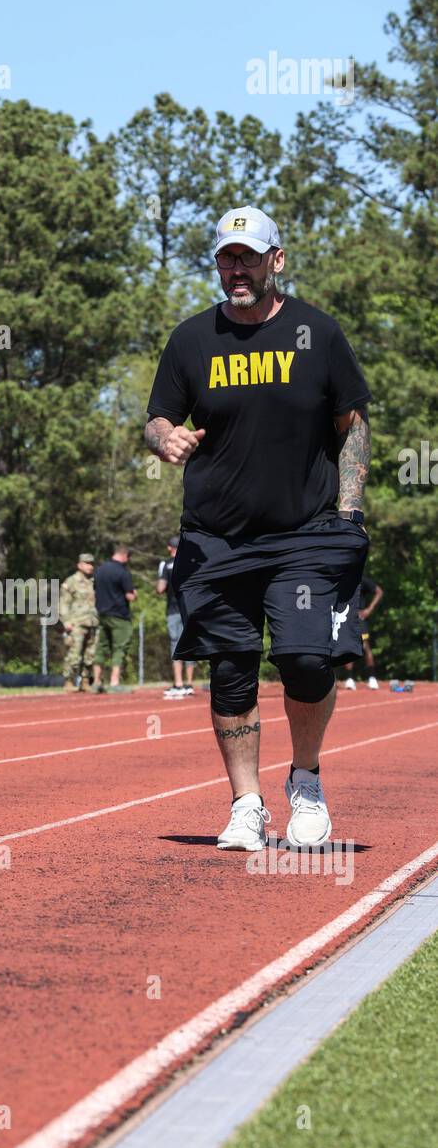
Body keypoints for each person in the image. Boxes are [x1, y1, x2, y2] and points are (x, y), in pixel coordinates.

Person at [145, 205, 371, 850]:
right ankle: (247, 803)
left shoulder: (317, 334)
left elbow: (351, 424)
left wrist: (350, 507)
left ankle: (305, 780)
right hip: (216, 537)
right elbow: (158, 417)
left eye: (247, 256)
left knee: (304, 658)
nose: (235, 268)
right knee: (232, 669)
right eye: (226, 257)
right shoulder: (192, 340)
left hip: (304, 532)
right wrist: (165, 439)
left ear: (277, 260)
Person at [92, 545, 136, 693]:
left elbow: (95, 590)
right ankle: (114, 682)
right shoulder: (122, 572)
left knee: (101, 647)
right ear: (124, 556)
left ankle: (96, 682)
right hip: (119, 615)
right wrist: (135, 594)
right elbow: (129, 595)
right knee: (120, 647)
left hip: (102, 614)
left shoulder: (100, 569)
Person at [157, 534, 196, 698]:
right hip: (190, 609)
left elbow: (160, 588)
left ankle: (178, 683)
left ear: (169, 548)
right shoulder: (190, 561)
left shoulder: (165, 564)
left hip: (173, 610)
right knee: (191, 644)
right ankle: (189, 684)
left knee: (175, 644)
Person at [59, 554, 99, 691]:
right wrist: (66, 621)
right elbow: (63, 603)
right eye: (87, 563)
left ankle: (85, 681)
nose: (90, 566)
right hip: (77, 622)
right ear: (79, 565)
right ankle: (69, 681)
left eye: (92, 563)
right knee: (74, 653)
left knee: (90, 654)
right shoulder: (71, 581)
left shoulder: (94, 581)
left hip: (93, 622)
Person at [343, 572, 382, 689]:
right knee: (348, 647)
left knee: (364, 646)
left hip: (359, 618)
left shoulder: (362, 579)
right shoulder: (341, 580)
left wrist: (369, 609)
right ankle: (349, 679)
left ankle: (372, 678)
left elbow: (379, 592)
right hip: (345, 617)